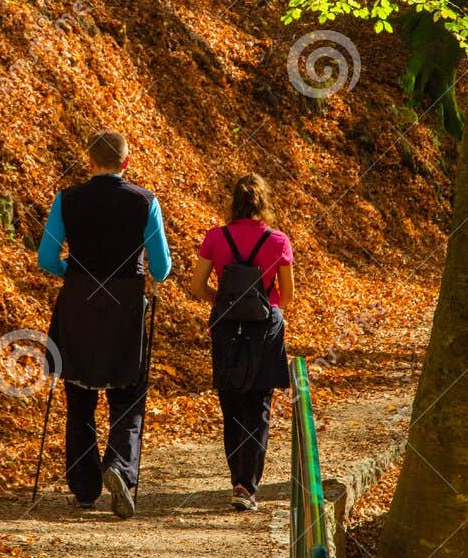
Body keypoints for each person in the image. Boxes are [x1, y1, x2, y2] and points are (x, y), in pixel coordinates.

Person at [37, 130, 171, 518]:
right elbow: (161, 268)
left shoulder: (68, 199)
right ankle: (120, 467)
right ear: (126, 163)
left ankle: (84, 486)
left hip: (78, 302)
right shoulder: (145, 201)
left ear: (90, 161)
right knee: (128, 393)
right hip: (125, 304)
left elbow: (46, 258)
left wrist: (74, 273)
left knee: (79, 391)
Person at [188, 174, 292, 512]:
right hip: (264, 330)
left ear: (233, 203)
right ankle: (247, 486)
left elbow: (197, 286)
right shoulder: (277, 241)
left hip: (226, 329)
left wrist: (223, 300)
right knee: (259, 407)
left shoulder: (215, 238)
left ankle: (236, 479)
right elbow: (286, 296)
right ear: (264, 203)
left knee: (230, 403)